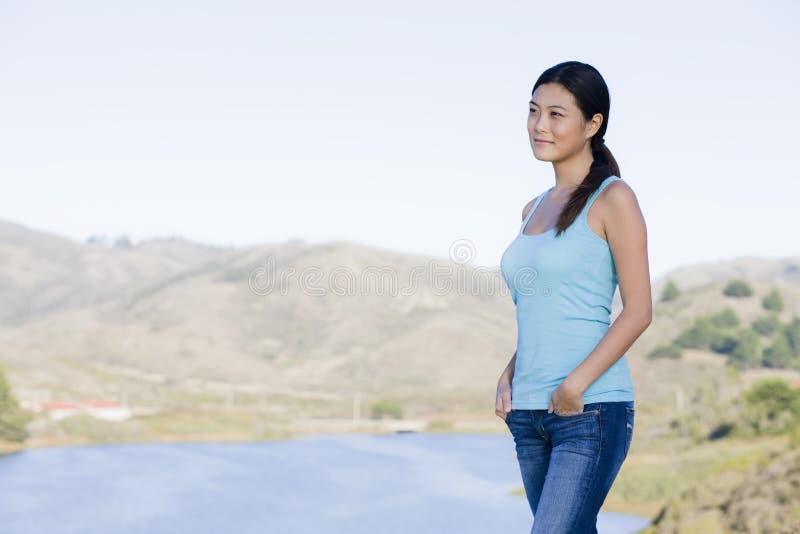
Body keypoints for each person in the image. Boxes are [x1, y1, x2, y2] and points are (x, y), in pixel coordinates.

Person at [496, 61, 652, 533]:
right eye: (533, 111)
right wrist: (510, 373)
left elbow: (639, 311)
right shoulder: (532, 209)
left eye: (556, 114)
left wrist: (574, 385)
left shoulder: (613, 198)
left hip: (588, 409)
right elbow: (547, 311)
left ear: (592, 124)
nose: (539, 125)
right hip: (528, 414)